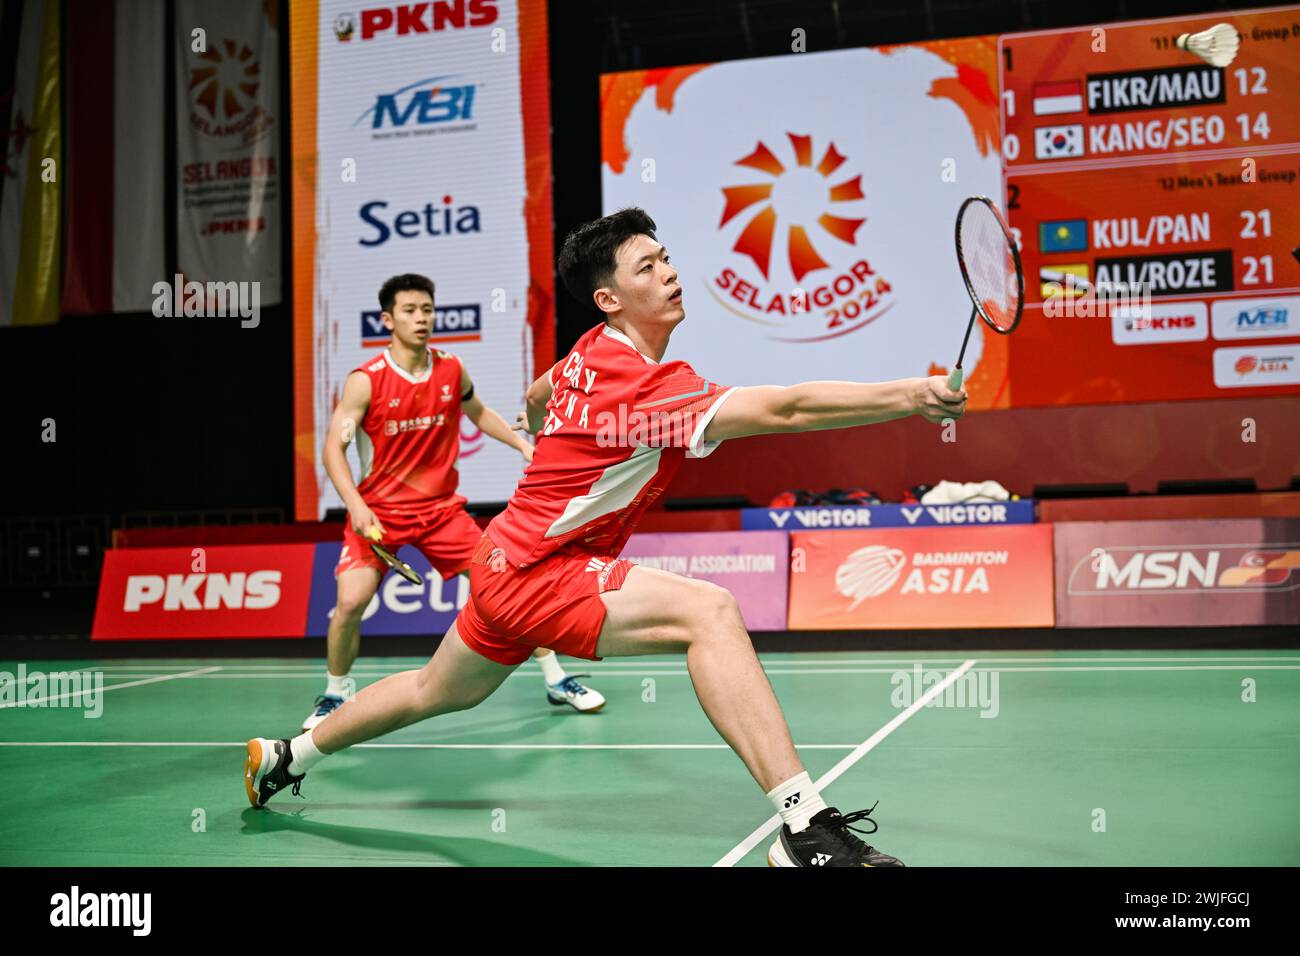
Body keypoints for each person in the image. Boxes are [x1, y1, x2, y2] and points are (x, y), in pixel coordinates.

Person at [248, 212, 966, 867]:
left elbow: (541, 388)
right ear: (610, 299)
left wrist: (539, 419)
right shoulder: (643, 386)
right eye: (647, 267)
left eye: (666, 257)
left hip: (503, 559)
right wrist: (911, 395)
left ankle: (288, 752)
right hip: (541, 569)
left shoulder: (592, 350)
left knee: (435, 690)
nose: (670, 272)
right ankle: (803, 828)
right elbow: (789, 407)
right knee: (708, 612)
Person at [303, 272, 604, 733]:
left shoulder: (451, 369)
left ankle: (556, 678)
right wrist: (354, 506)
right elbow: (331, 448)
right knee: (350, 602)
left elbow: (478, 412)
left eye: (426, 309)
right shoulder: (366, 382)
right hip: (379, 514)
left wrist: (522, 446)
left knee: (513, 585)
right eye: (409, 311)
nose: (421, 319)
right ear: (388, 319)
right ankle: (335, 693)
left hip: (442, 514)